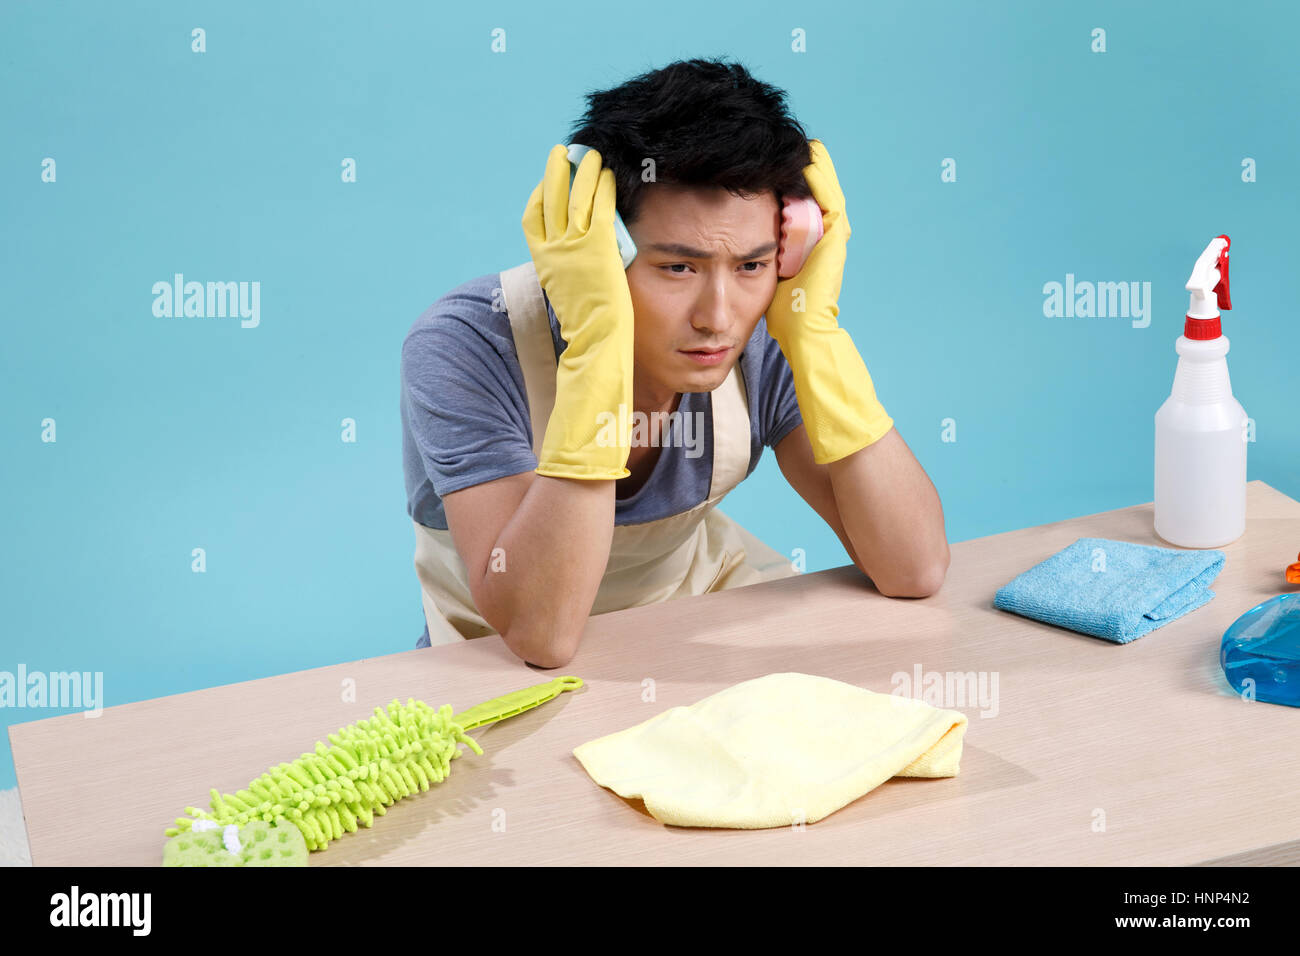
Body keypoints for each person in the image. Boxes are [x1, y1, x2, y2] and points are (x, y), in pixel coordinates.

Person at [400, 57, 949, 667]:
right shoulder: (466, 346)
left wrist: (817, 337)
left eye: (751, 265)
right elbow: (542, 634)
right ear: (602, 246)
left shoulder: (768, 337)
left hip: (696, 623)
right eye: (678, 267)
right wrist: (600, 344)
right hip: (493, 657)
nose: (718, 317)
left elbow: (914, 567)